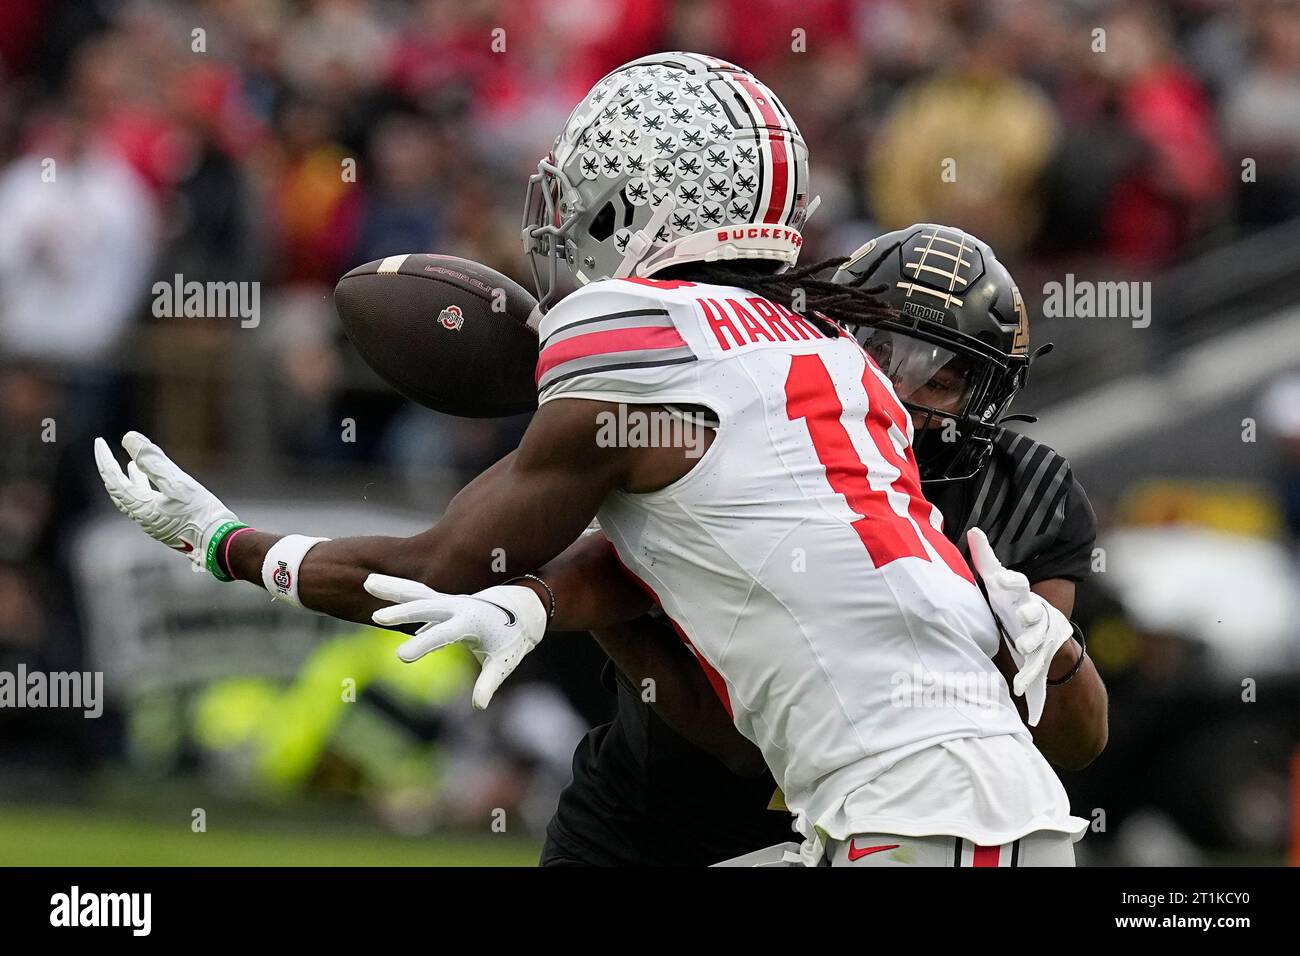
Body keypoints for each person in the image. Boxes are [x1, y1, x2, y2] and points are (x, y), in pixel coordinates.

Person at [96, 53, 1090, 865]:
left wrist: (226, 542)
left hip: (917, 816)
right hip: (961, 805)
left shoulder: (636, 332)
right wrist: (537, 600)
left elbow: (439, 563)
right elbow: (714, 623)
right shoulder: (826, 358)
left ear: (637, 199)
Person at [533, 224, 1109, 867]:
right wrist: (529, 597)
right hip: (660, 803)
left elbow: (1067, 736)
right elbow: (621, 569)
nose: (899, 392)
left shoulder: (1026, 492)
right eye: (880, 356)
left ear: (985, 394)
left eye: (939, 380)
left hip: (883, 819)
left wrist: (1047, 644)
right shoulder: (756, 415)